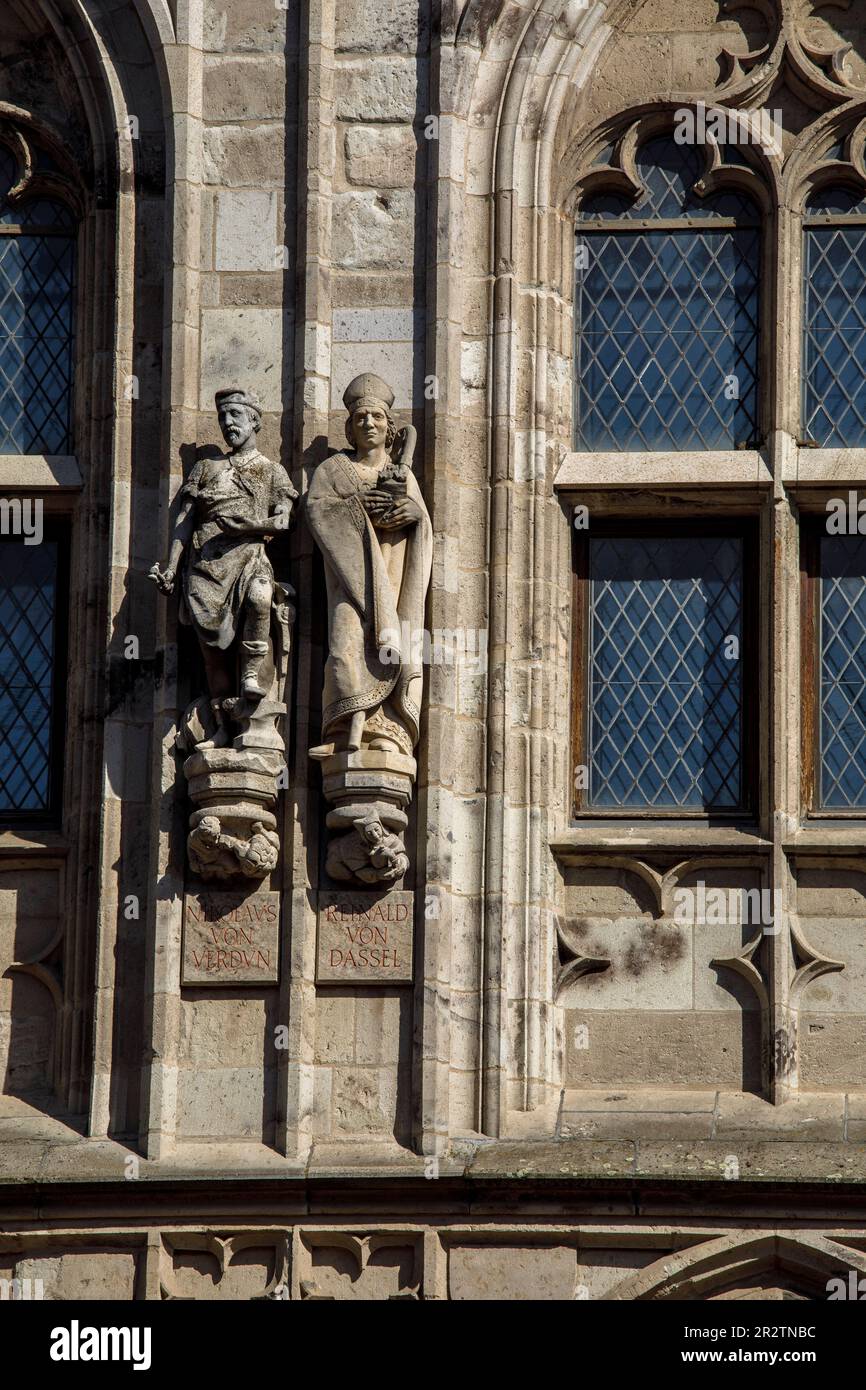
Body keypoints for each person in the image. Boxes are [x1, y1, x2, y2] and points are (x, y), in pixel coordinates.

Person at [307, 373, 433, 757]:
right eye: (361, 418)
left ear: (389, 426)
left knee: (392, 643)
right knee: (345, 644)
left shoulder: (403, 475)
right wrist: (358, 512)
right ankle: (345, 728)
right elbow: (317, 510)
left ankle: (389, 729)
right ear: (350, 427)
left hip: (392, 574)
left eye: (376, 417)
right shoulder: (332, 470)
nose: (368, 424)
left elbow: (423, 526)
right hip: (350, 577)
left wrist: (410, 513)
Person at [149, 388, 297, 714]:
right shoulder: (205, 468)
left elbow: (284, 521)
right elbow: (184, 523)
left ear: (254, 420)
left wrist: (248, 527)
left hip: (249, 557)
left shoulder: (272, 471)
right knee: (212, 653)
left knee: (260, 596)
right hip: (205, 565)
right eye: (222, 416)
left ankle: (250, 674)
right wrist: (171, 567)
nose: (227, 423)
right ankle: (221, 721)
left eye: (235, 415)